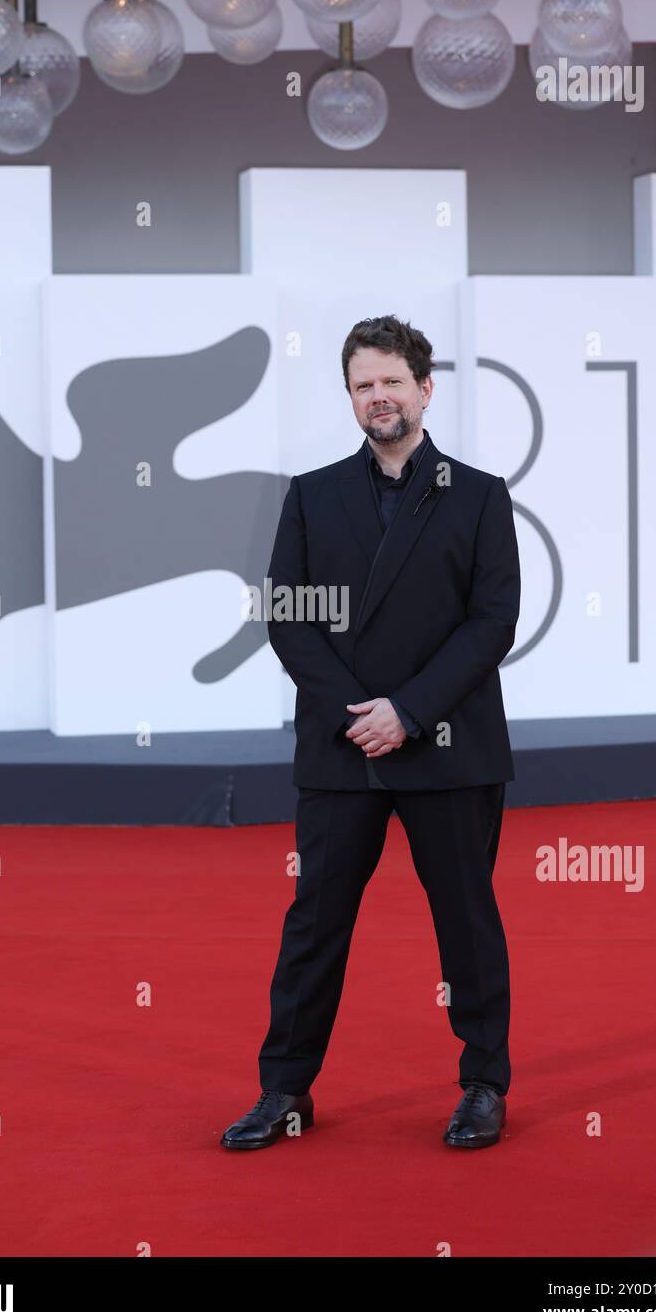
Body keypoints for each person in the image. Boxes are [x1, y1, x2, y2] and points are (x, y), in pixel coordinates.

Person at [220, 315, 521, 1152]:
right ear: (350, 397)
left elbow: (492, 623)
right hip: (342, 746)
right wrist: (363, 714)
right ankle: (284, 1090)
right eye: (362, 385)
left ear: (426, 389)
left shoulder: (481, 494)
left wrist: (410, 712)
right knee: (315, 923)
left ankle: (485, 1084)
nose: (378, 397)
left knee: (465, 917)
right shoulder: (312, 496)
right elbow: (290, 618)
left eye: (392, 381)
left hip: (449, 745)